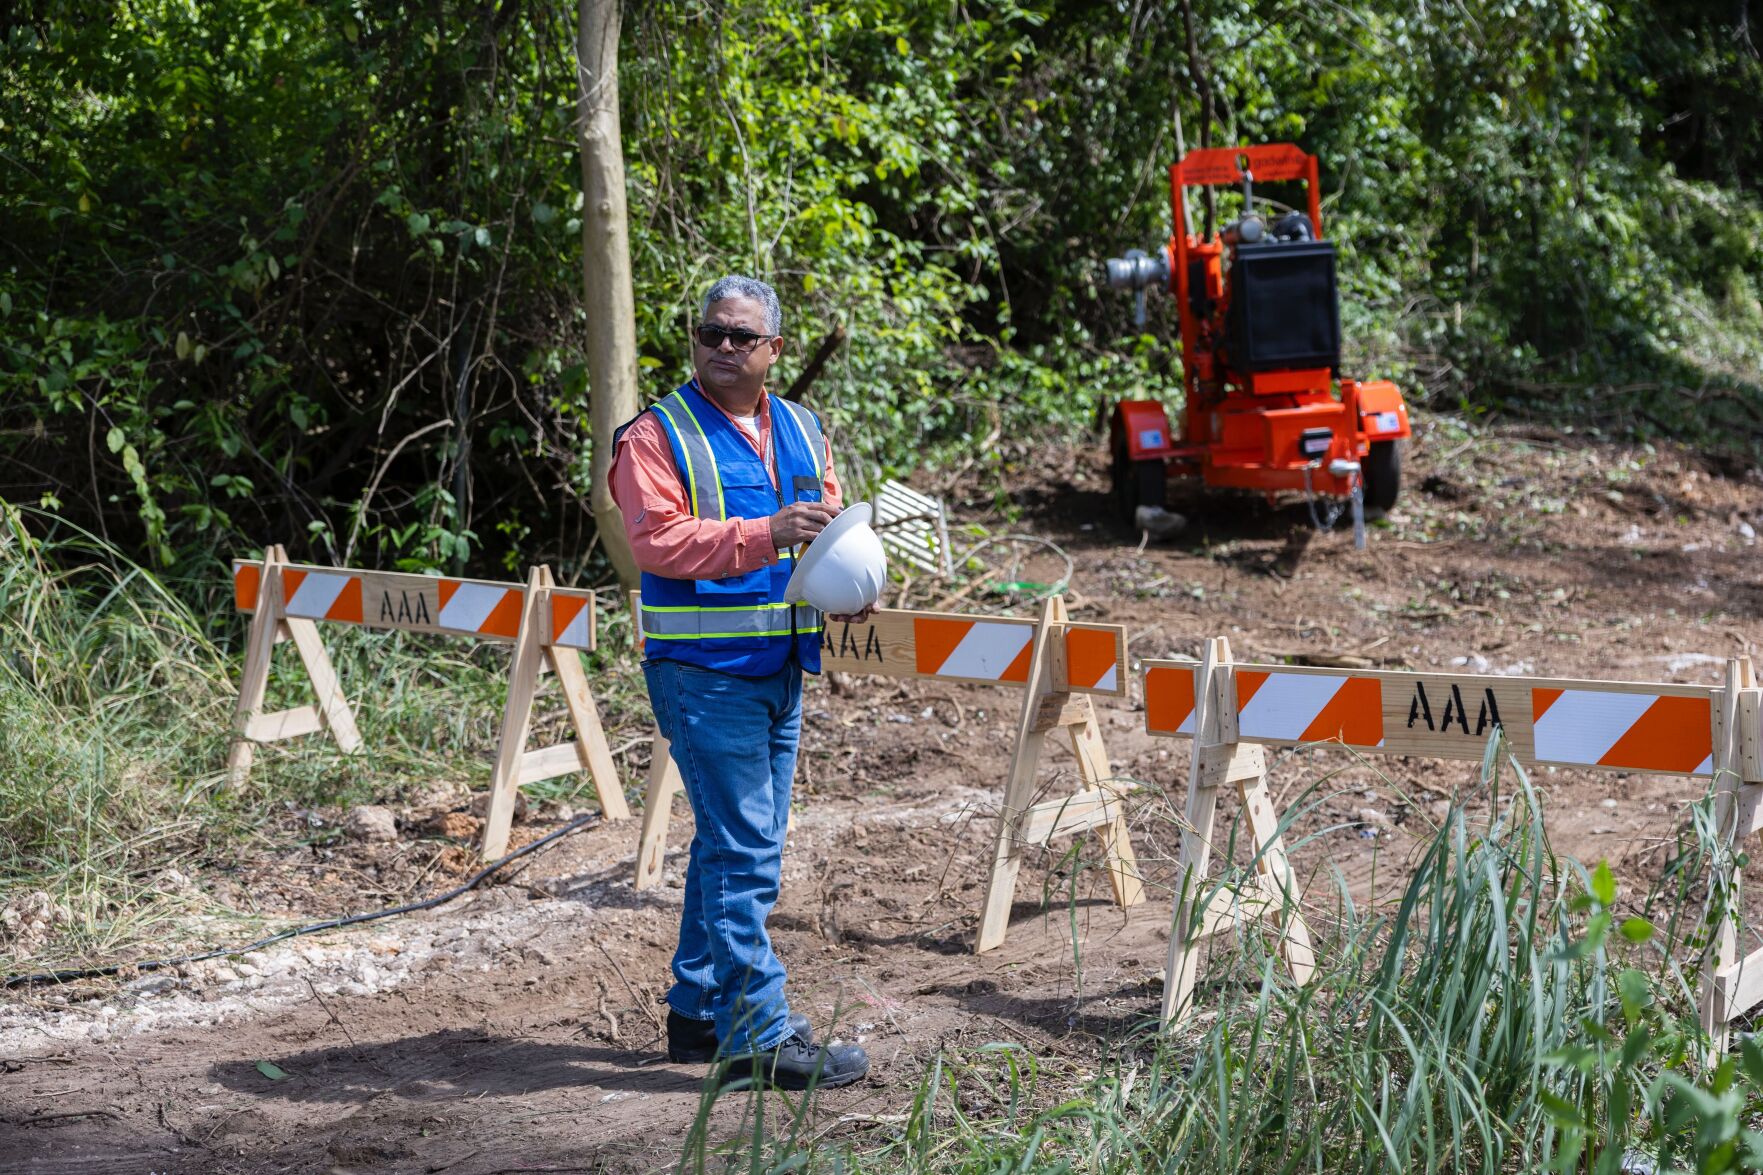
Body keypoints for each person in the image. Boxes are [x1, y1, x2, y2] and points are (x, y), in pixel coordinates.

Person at [608, 275, 872, 1091]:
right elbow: (655, 543)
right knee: (746, 851)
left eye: (740, 337)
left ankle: (697, 1012)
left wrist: (854, 574)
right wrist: (765, 534)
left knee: (730, 845)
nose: (723, 347)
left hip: (779, 668)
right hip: (702, 674)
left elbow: (826, 524)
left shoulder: (800, 427)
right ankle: (755, 1033)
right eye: (710, 333)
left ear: (774, 351)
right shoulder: (657, 435)